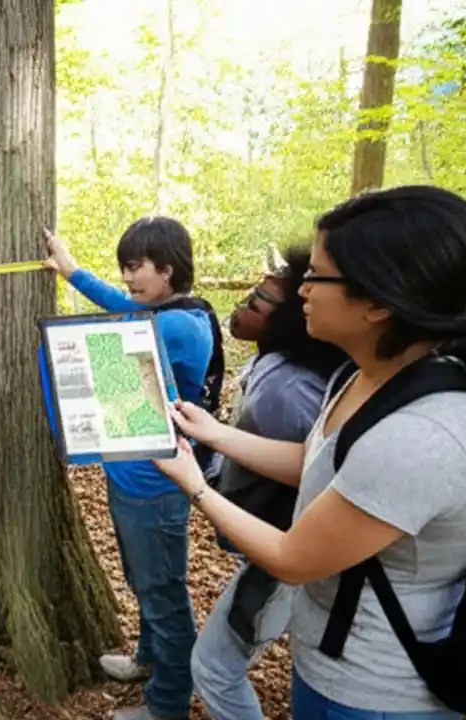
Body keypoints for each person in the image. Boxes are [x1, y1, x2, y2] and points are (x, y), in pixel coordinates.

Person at [153, 186, 466, 719]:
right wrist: (214, 433)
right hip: (327, 664)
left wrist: (195, 485)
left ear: (376, 302)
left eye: (317, 276)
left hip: (382, 694)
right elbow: (319, 465)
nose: (300, 289)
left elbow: (292, 559)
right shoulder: (363, 375)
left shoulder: (425, 435)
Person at [42, 218, 216, 720]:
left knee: (163, 592)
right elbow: (121, 309)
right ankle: (149, 659)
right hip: (132, 476)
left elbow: (116, 340)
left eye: (136, 268)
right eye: (124, 269)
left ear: (168, 268)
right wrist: (72, 271)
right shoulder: (158, 311)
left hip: (157, 483)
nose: (127, 279)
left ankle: (168, 701)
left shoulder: (179, 324)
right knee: (147, 582)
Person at [191, 245, 347, 720]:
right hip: (277, 546)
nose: (243, 305)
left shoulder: (288, 388)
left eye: (258, 300)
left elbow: (319, 470)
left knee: (215, 667)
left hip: (287, 550)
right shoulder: (273, 364)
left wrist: (198, 485)